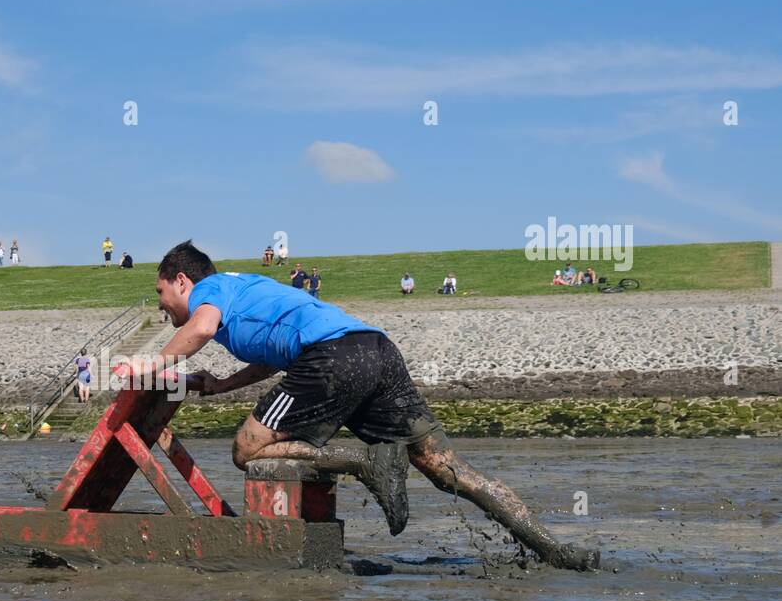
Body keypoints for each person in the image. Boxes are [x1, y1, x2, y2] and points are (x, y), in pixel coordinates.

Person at [136, 241, 599, 571]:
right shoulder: (246, 295)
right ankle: (554, 550)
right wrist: (222, 385)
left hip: (333, 358)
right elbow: (268, 359)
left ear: (182, 280)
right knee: (447, 469)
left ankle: (366, 462)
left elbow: (197, 329)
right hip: (375, 351)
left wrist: (148, 367)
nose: (163, 308)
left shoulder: (210, 291)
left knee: (247, 449)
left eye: (161, 294)